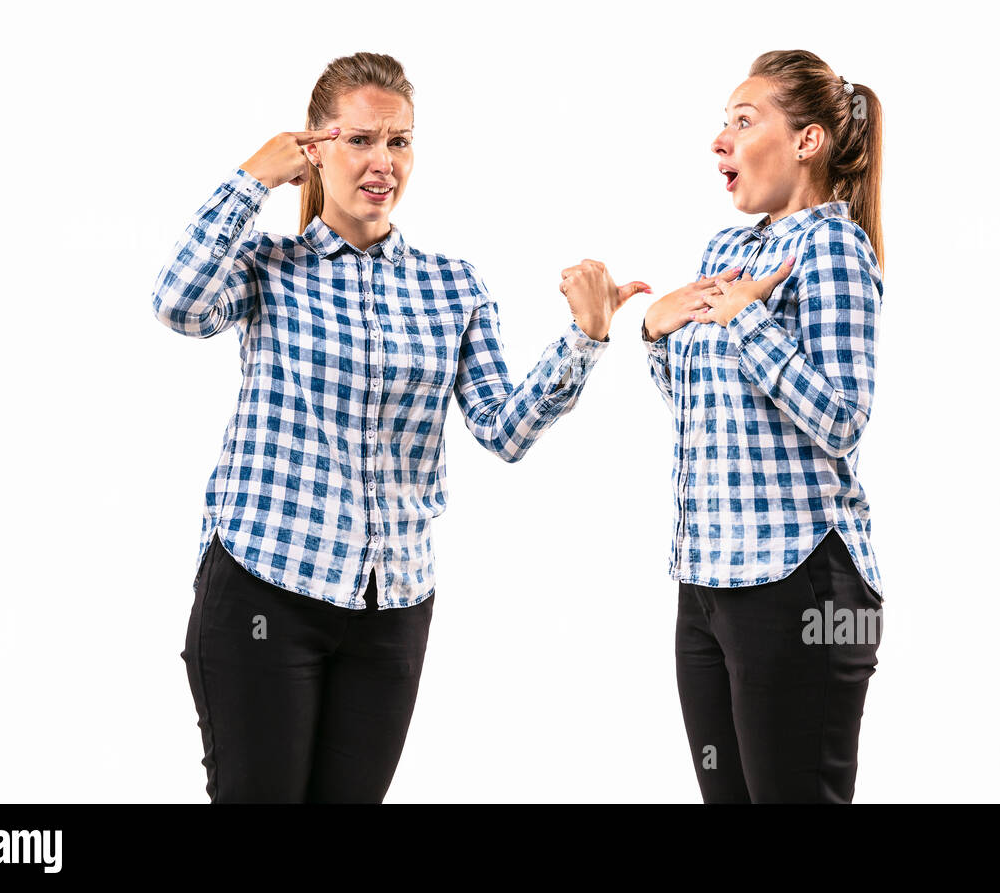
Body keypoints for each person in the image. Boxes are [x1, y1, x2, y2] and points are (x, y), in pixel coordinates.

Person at [151, 52, 648, 802]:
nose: (383, 161)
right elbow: (179, 305)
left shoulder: (454, 285)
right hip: (264, 588)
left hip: (393, 606)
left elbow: (502, 430)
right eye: (360, 140)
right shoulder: (267, 264)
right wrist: (250, 179)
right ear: (315, 148)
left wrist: (584, 339)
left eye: (400, 141)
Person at [641, 49, 886, 803]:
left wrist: (748, 319)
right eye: (723, 124)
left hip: (805, 587)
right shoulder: (728, 249)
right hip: (708, 583)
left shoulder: (833, 247)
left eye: (743, 122)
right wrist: (655, 331)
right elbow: (698, 404)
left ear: (806, 141)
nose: (721, 141)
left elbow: (842, 418)